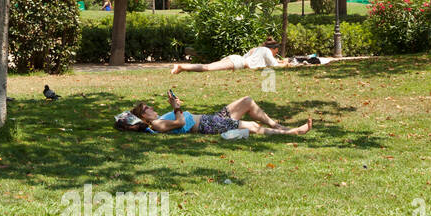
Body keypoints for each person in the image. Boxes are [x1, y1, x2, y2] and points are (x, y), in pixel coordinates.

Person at [125, 89, 311, 136]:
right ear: (143, 117)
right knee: (252, 126)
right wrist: (175, 106)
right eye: (146, 109)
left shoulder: (159, 119)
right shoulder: (156, 124)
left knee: (246, 101)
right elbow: (181, 123)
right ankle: (293, 132)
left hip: (211, 118)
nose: (150, 107)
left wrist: (175, 106)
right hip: (208, 125)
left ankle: (277, 125)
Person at [170, 38, 324, 74]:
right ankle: (181, 66)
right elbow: (275, 65)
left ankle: (182, 67)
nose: (277, 53)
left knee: (210, 65)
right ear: (273, 49)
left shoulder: (257, 49)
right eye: (276, 50)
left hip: (236, 58)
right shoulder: (265, 51)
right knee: (208, 68)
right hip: (238, 62)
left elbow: (272, 61)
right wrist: (290, 64)